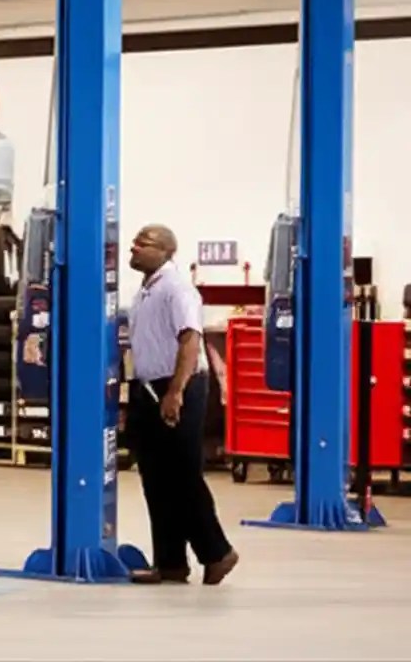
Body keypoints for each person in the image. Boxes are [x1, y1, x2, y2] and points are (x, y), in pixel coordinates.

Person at [125, 224, 239, 586]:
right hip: (148, 387)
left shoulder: (177, 289)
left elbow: (190, 340)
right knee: (156, 479)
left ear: (163, 250)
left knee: (182, 475)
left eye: (141, 244)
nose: (133, 248)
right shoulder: (145, 291)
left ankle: (218, 553)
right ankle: (171, 563)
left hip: (179, 385)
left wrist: (176, 392)